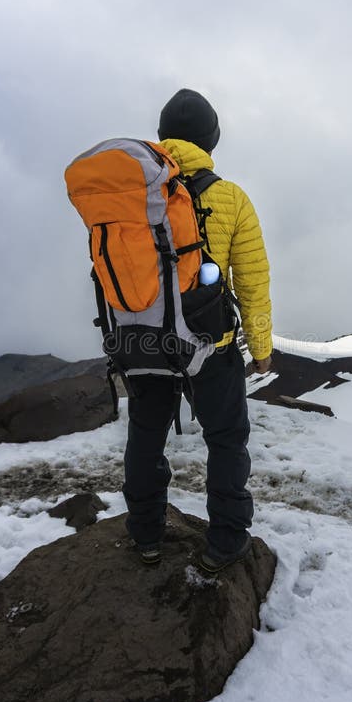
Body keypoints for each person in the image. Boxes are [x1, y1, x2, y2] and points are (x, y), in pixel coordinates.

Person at [123, 88, 273, 572]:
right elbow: (250, 279)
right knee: (226, 439)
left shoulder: (132, 192)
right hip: (212, 347)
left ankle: (145, 535)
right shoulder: (230, 197)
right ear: (211, 140)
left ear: (164, 134)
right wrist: (262, 348)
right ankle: (226, 542)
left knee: (146, 437)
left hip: (145, 341)